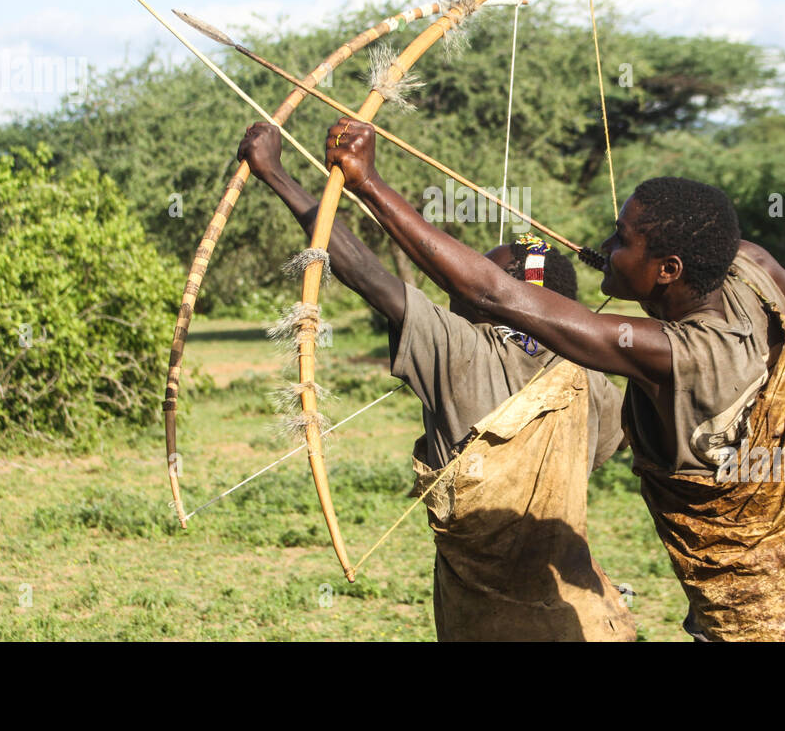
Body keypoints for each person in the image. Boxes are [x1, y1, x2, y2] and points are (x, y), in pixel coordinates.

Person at [323, 116, 785, 642]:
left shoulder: (673, 354)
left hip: (772, 624)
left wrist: (369, 183)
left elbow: (493, 294)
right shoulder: (750, 264)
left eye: (623, 240)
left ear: (669, 270)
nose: (606, 248)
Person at [237, 122, 636, 641]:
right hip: (588, 620)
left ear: (504, 297)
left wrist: (277, 174)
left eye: (478, 279)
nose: (458, 286)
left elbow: (363, 269)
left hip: (493, 628)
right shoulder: (589, 378)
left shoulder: (464, 349)